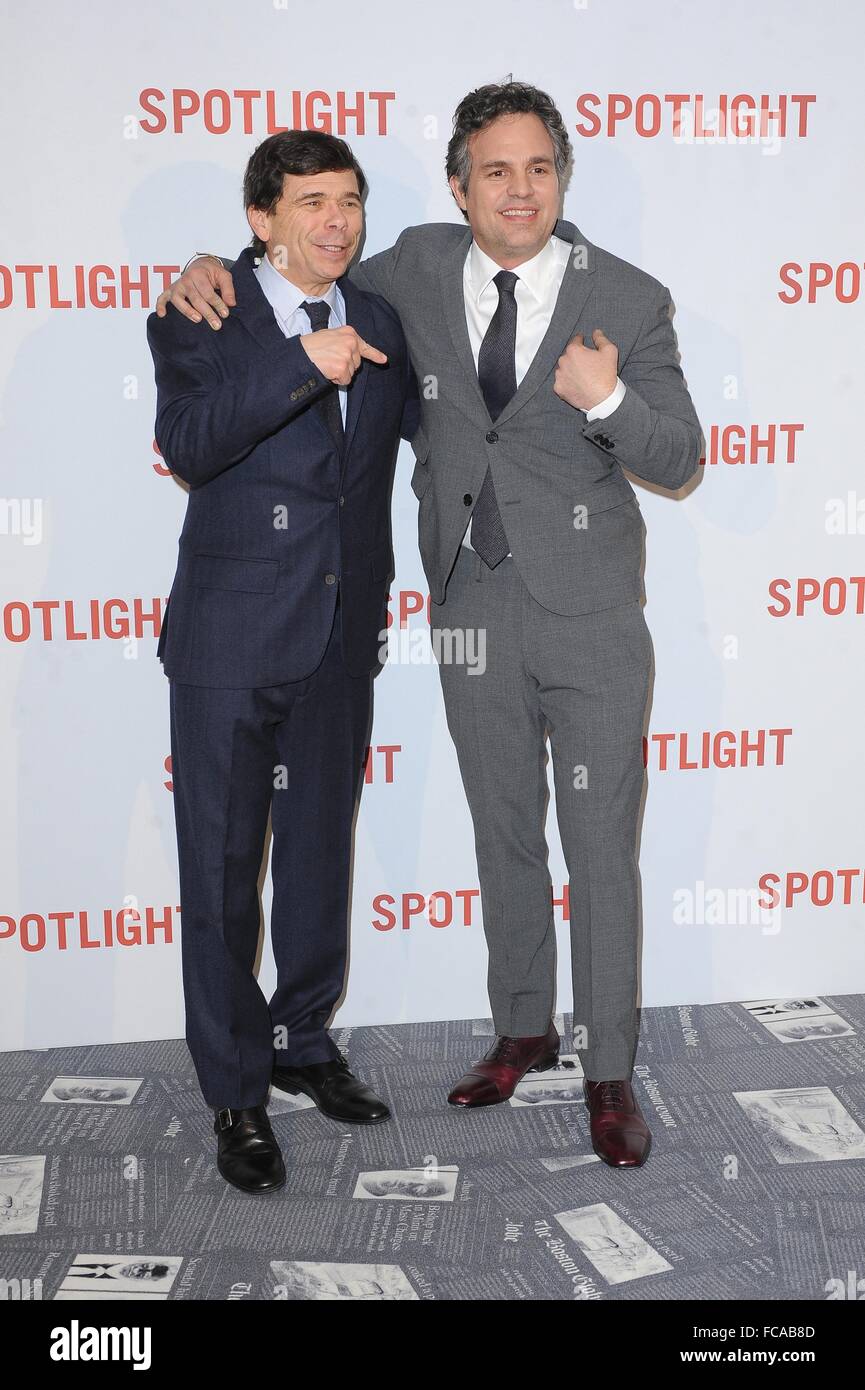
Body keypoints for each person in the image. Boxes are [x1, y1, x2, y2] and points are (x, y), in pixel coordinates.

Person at [155, 80, 704, 1170]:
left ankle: (605, 1072)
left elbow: (678, 456)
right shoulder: (403, 273)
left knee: (597, 847)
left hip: (590, 610)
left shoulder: (631, 299)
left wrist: (606, 401)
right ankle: (520, 1027)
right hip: (470, 606)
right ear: (457, 188)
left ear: (562, 178)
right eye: (494, 170)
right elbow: (289, 269)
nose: (518, 189)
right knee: (500, 831)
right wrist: (206, 264)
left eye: (539, 167)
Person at [147, 130, 416, 1194]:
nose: (334, 221)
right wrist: (301, 366)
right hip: (227, 637)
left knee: (316, 855)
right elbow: (193, 443)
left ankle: (306, 1042)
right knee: (219, 875)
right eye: (309, 203)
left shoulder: (382, 315)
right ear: (260, 219)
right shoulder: (201, 308)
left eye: (347, 200)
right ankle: (235, 1090)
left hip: (340, 635)